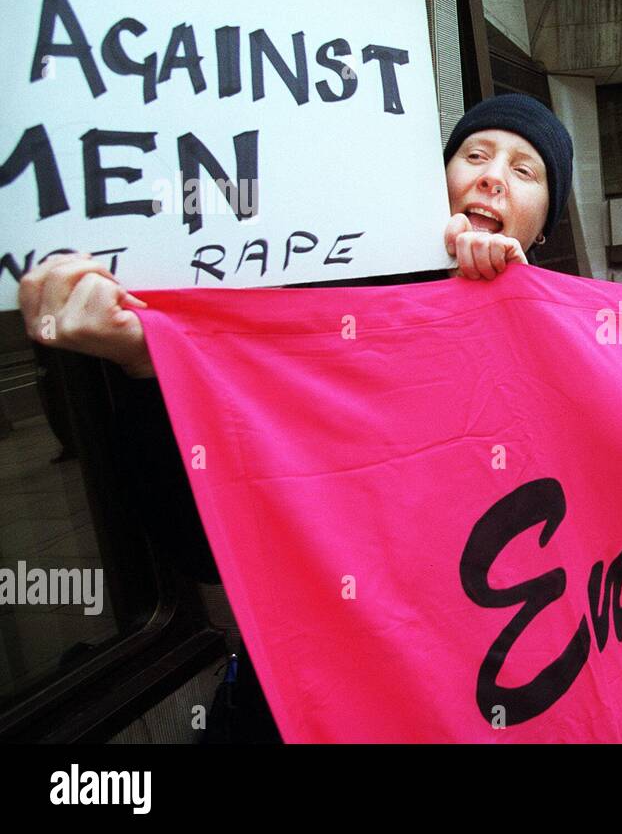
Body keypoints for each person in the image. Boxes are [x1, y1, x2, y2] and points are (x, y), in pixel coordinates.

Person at [17, 92, 574, 741]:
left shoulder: (567, 362)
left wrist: (521, 333)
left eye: (524, 170)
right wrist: (150, 368)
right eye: (475, 154)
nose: (491, 175)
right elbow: (199, 547)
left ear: (542, 229)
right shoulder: (322, 320)